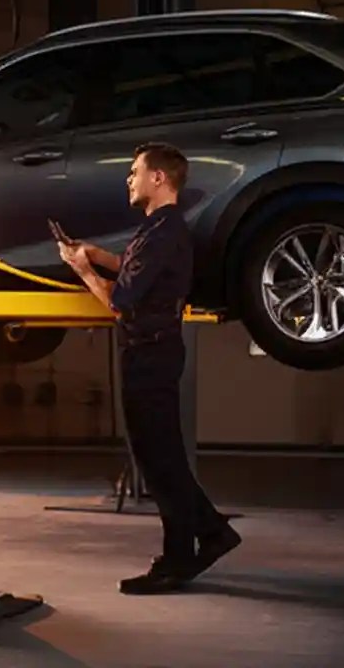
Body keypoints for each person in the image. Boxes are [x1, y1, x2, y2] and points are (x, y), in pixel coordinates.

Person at [58, 141, 241, 594]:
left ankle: (186, 552)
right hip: (152, 352)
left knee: (159, 461)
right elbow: (133, 270)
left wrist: (83, 272)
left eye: (135, 171)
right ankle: (207, 536)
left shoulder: (162, 231)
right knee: (161, 458)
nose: (129, 179)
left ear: (158, 178)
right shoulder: (160, 227)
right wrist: (98, 256)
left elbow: (121, 303)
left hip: (149, 353)